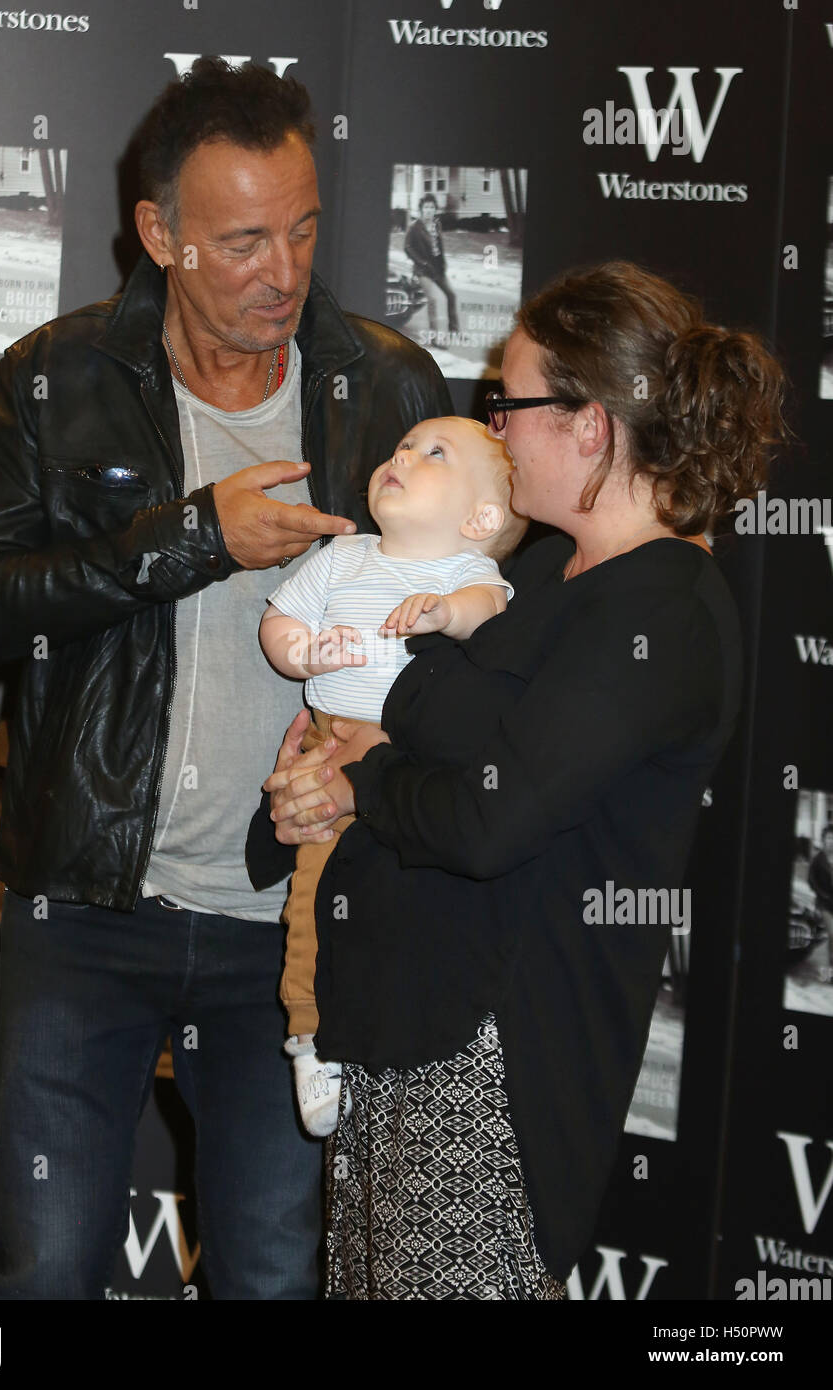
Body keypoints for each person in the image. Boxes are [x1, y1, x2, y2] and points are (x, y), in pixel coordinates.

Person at [0, 58, 450, 1301]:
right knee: (43, 1268)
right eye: (239, 241)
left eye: (303, 227)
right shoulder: (49, 382)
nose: (282, 270)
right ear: (159, 234)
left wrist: (368, 769)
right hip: (88, 907)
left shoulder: (385, 390)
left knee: (271, 1275)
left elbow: (460, 649)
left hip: (286, 927)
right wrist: (191, 540)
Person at [257, 261, 787, 1299]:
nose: (493, 429)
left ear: (588, 426)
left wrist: (368, 779)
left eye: (510, 403)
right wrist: (329, 768)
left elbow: (487, 817)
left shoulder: (661, 614)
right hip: (396, 1031)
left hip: (492, 1071)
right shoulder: (542, 570)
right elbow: (423, 724)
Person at [259, 417, 524, 1134]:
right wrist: (303, 653)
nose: (402, 455)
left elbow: (487, 611)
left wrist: (443, 612)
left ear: (480, 518)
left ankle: (361, 1027)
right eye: (401, 444)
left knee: (377, 913)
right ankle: (309, 1036)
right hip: (324, 749)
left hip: (405, 770)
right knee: (309, 903)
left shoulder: (468, 574)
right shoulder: (342, 556)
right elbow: (279, 621)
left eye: (434, 454)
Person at [404, 193, 459, 336]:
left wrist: (443, 263)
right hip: (423, 270)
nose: (429, 210)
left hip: (437, 269)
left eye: (432, 207)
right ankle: (435, 337)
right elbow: (407, 247)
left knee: (451, 295)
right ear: (421, 209)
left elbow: (439, 246)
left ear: (435, 209)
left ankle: (454, 330)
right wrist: (421, 262)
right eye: (426, 207)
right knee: (433, 300)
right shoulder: (415, 226)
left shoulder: (436, 224)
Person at [807, 826, 833, 983]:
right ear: (823, 840)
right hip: (825, 904)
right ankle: (829, 973)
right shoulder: (818, 860)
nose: (831, 842)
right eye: (828, 838)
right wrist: (823, 895)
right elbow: (811, 881)